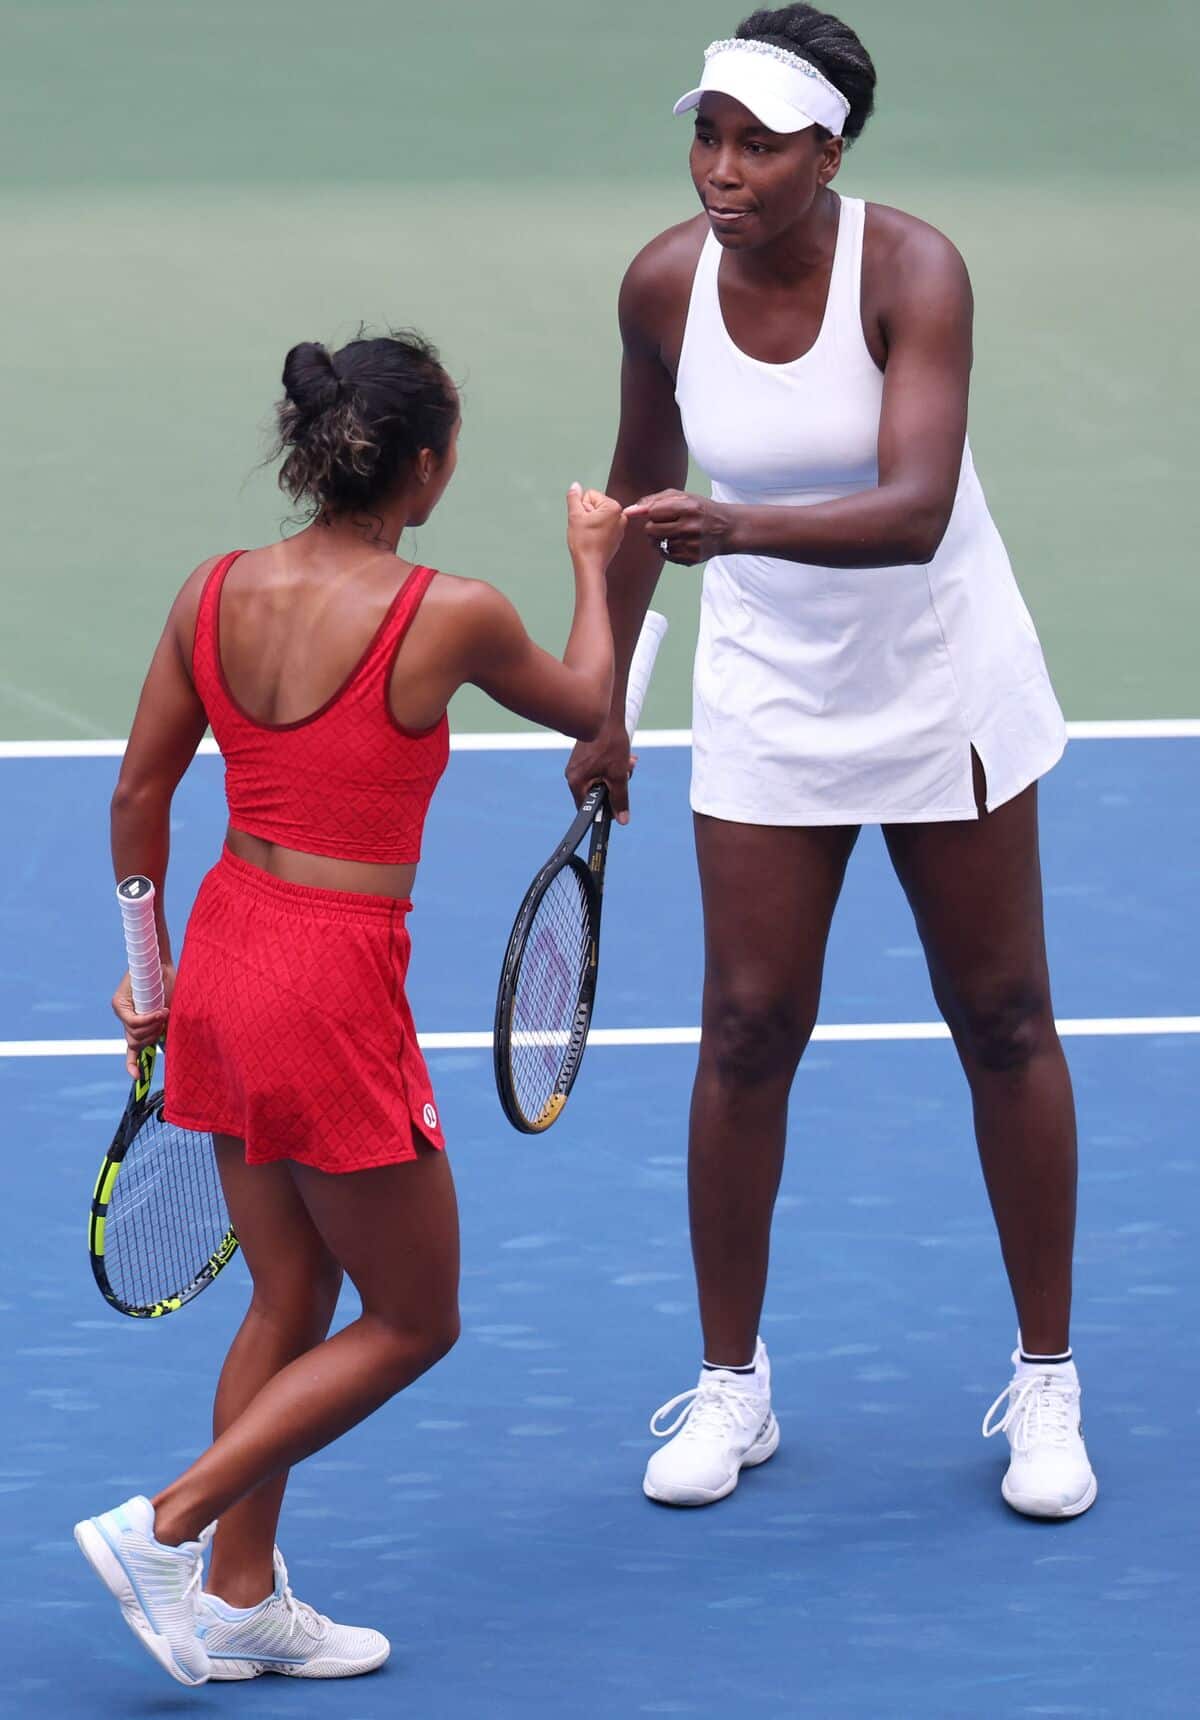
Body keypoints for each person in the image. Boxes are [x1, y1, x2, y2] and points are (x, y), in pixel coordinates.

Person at [567, 4, 1097, 1520]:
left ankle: (1047, 1387)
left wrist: (725, 529)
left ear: (829, 151)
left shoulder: (914, 269)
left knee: (1003, 1017)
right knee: (744, 1029)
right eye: (706, 137)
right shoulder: (666, 284)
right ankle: (733, 1388)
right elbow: (633, 493)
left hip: (943, 677)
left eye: (755, 143)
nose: (718, 170)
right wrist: (600, 696)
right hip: (770, 694)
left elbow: (917, 504)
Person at [76, 330, 623, 1687]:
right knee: (416, 1317)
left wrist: (150, 984)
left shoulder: (212, 593)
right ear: (425, 469)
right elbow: (591, 706)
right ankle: (170, 1529)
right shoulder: (453, 612)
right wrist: (597, 563)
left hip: (218, 950)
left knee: (293, 1285)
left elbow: (138, 796)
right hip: (328, 985)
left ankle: (245, 1596)